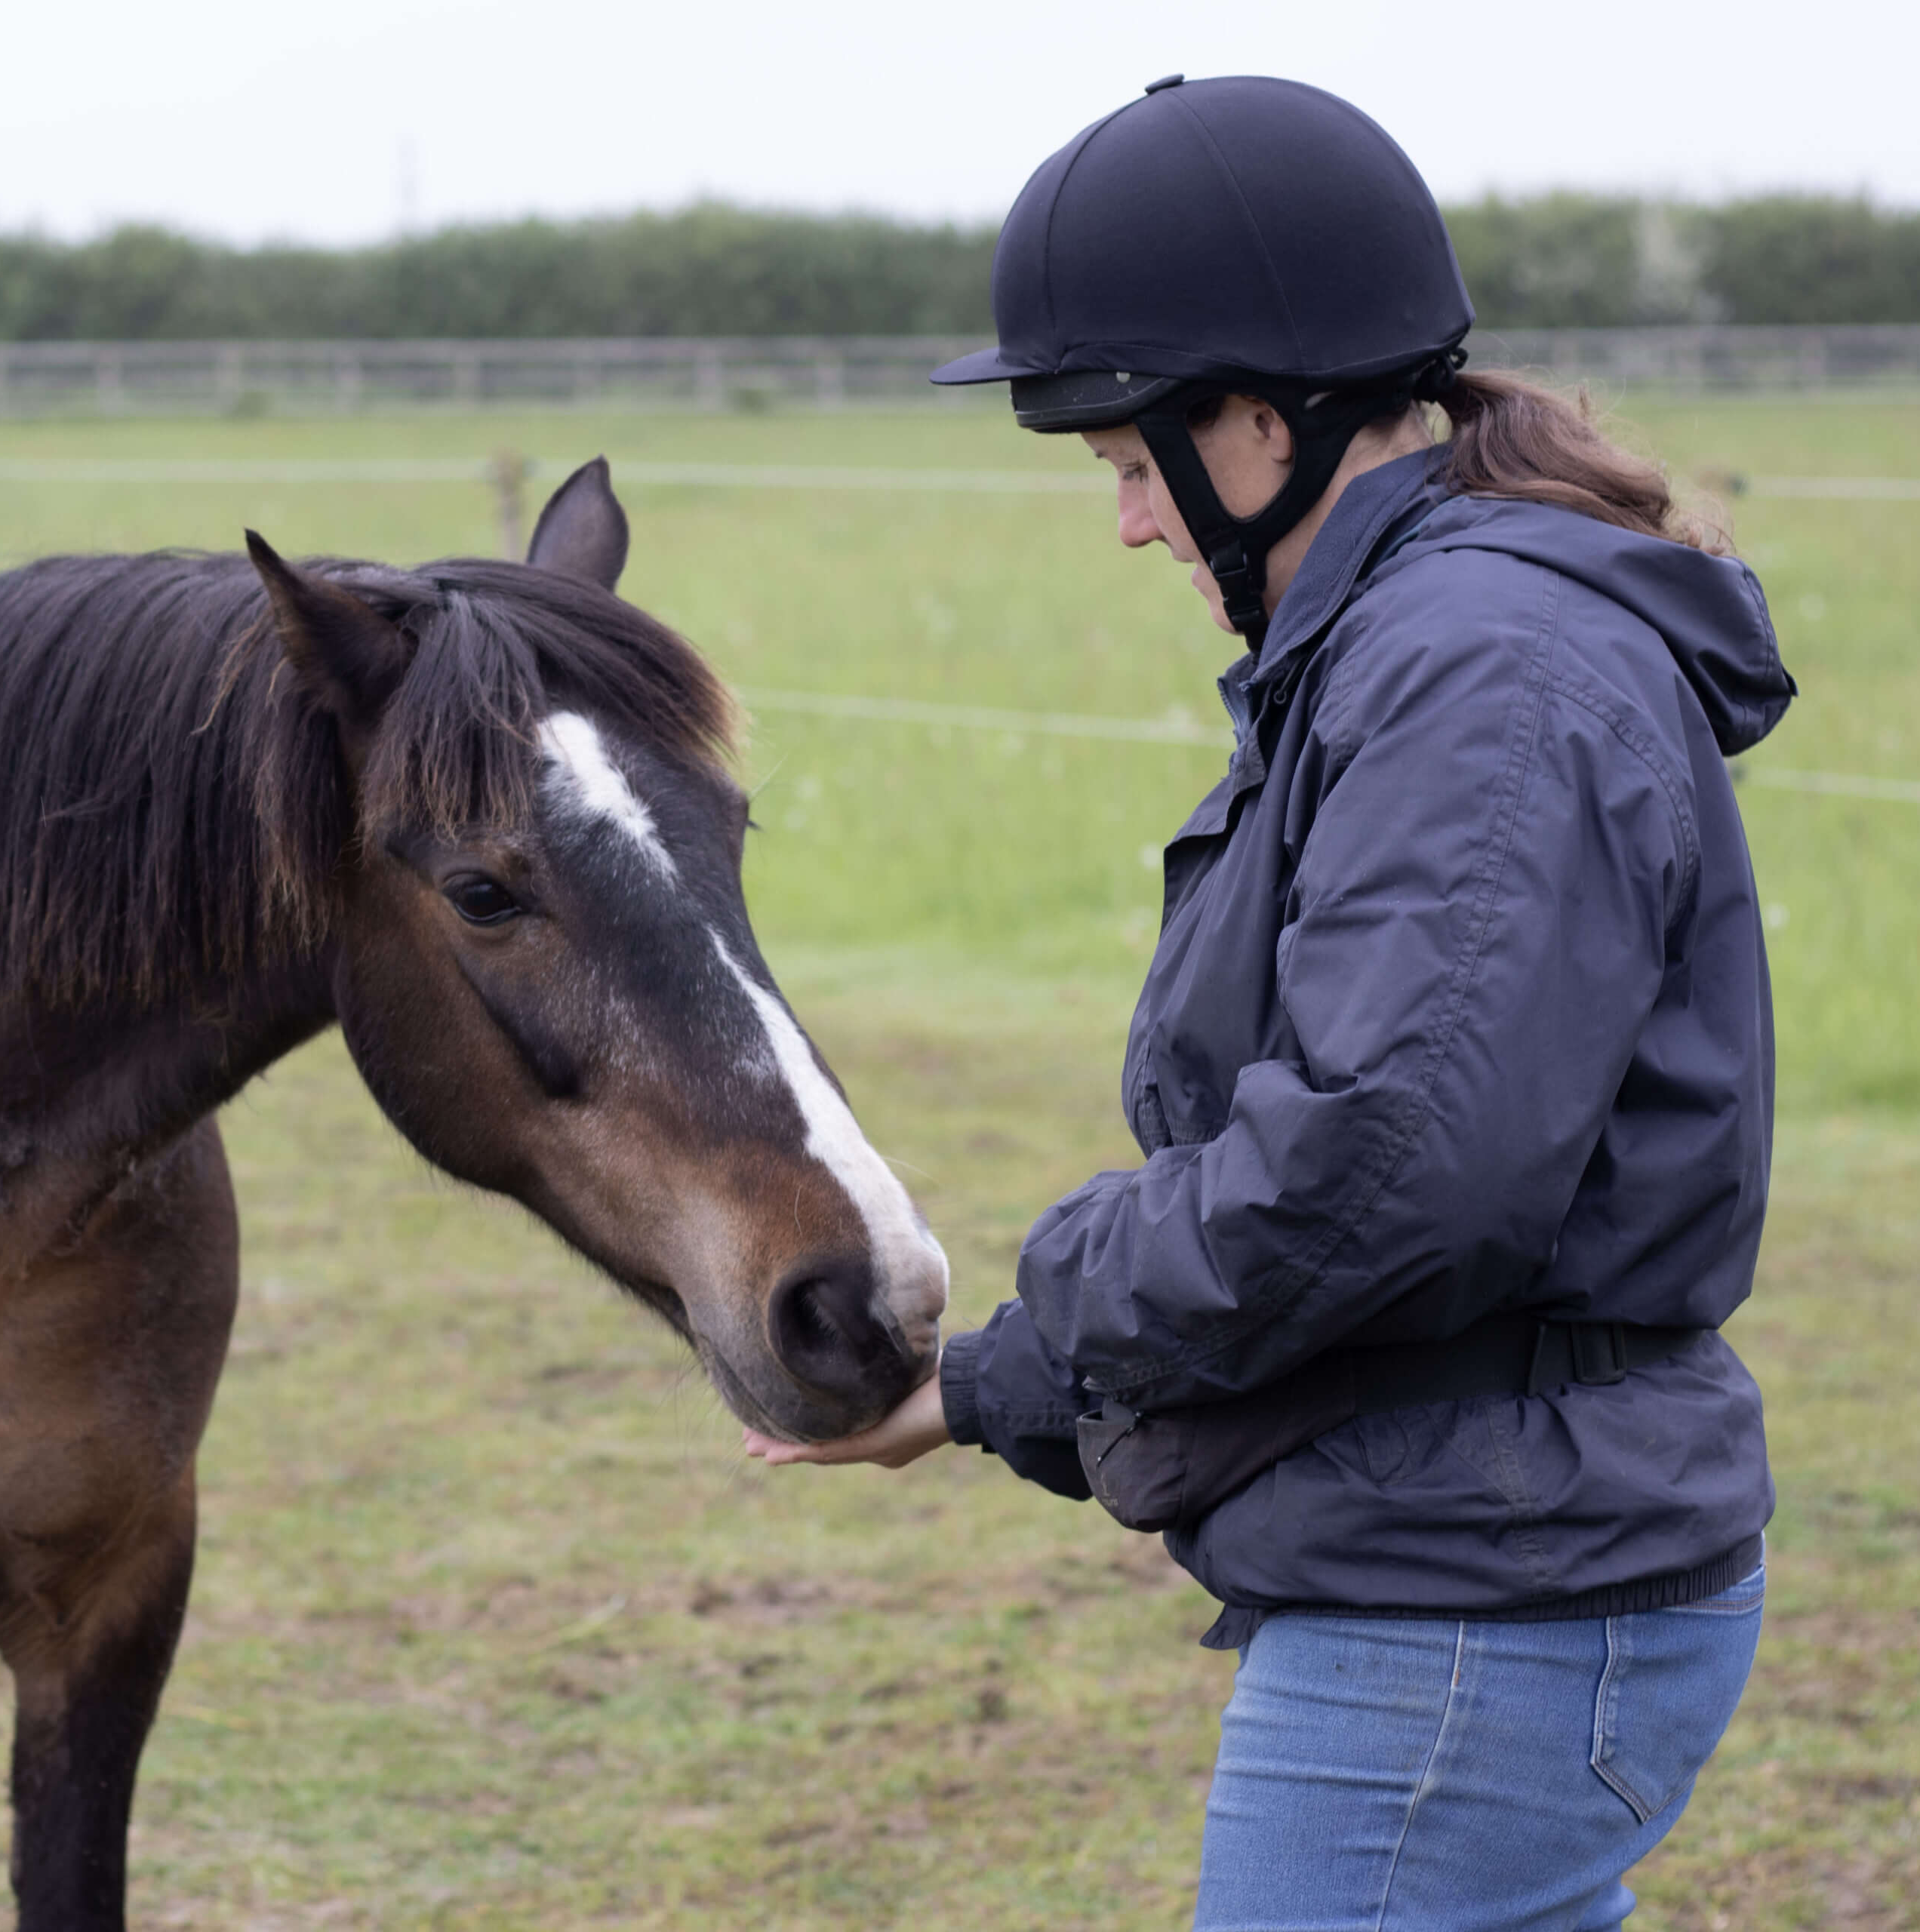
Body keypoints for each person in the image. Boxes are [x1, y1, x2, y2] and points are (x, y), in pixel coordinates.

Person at [744, 75, 1793, 1930]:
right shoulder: (1428, 645)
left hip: (1478, 1602)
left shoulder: (1480, 673)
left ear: (1260, 419)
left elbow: (1380, 1167)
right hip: (1488, 1559)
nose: (1133, 526)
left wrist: (1051, 1296)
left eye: (1132, 465)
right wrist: (990, 1385)